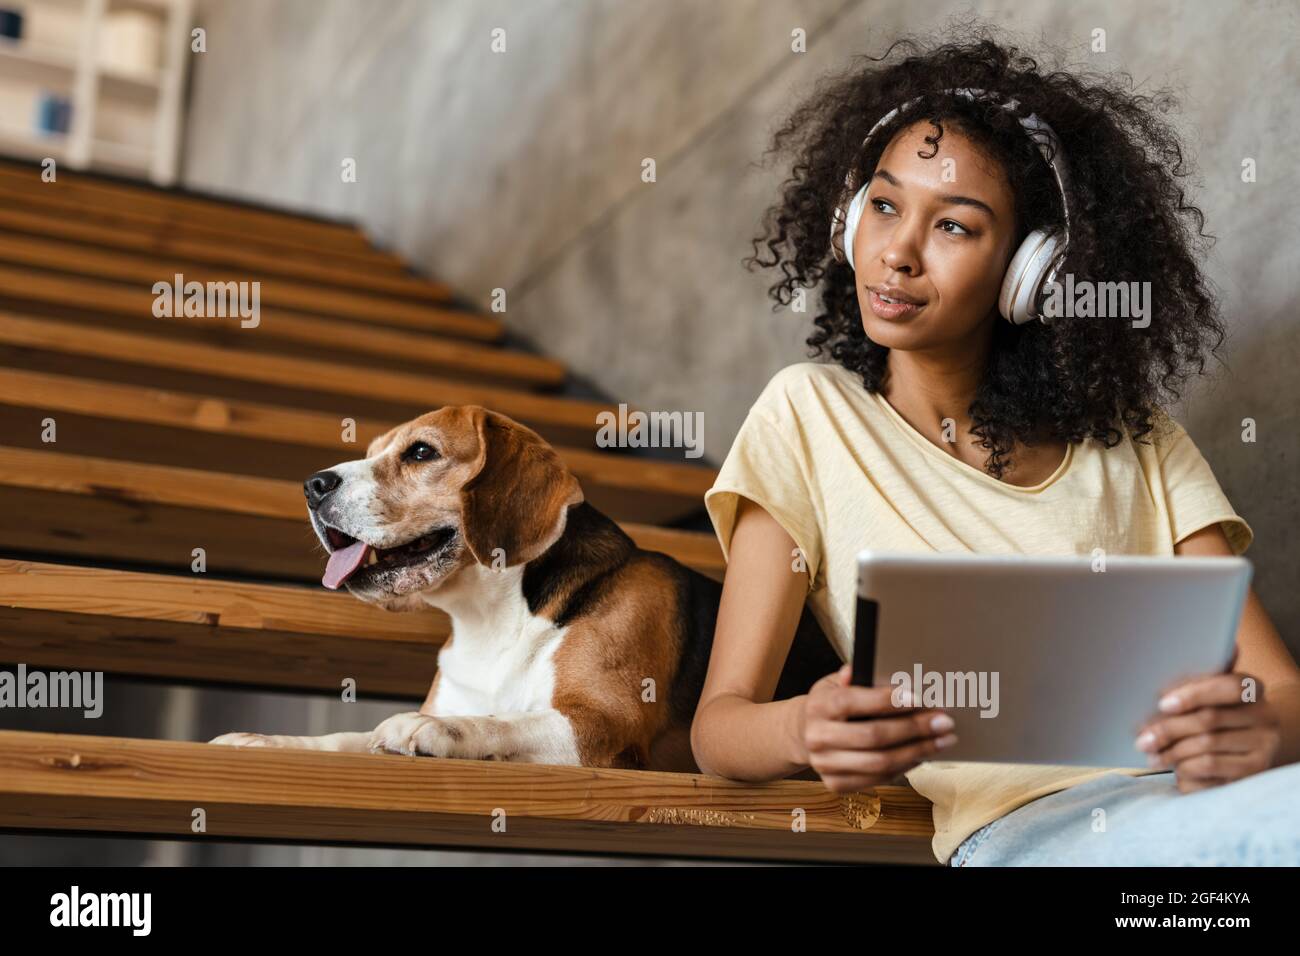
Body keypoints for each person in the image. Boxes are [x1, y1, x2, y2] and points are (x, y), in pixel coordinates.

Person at [689, 29, 1300, 866]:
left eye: (956, 227)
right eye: (884, 203)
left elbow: (1282, 689)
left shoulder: (1139, 439)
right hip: (1031, 834)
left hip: (1204, 805)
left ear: (1033, 271)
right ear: (847, 216)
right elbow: (719, 729)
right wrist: (805, 727)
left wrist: (1257, 724)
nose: (898, 252)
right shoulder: (807, 416)